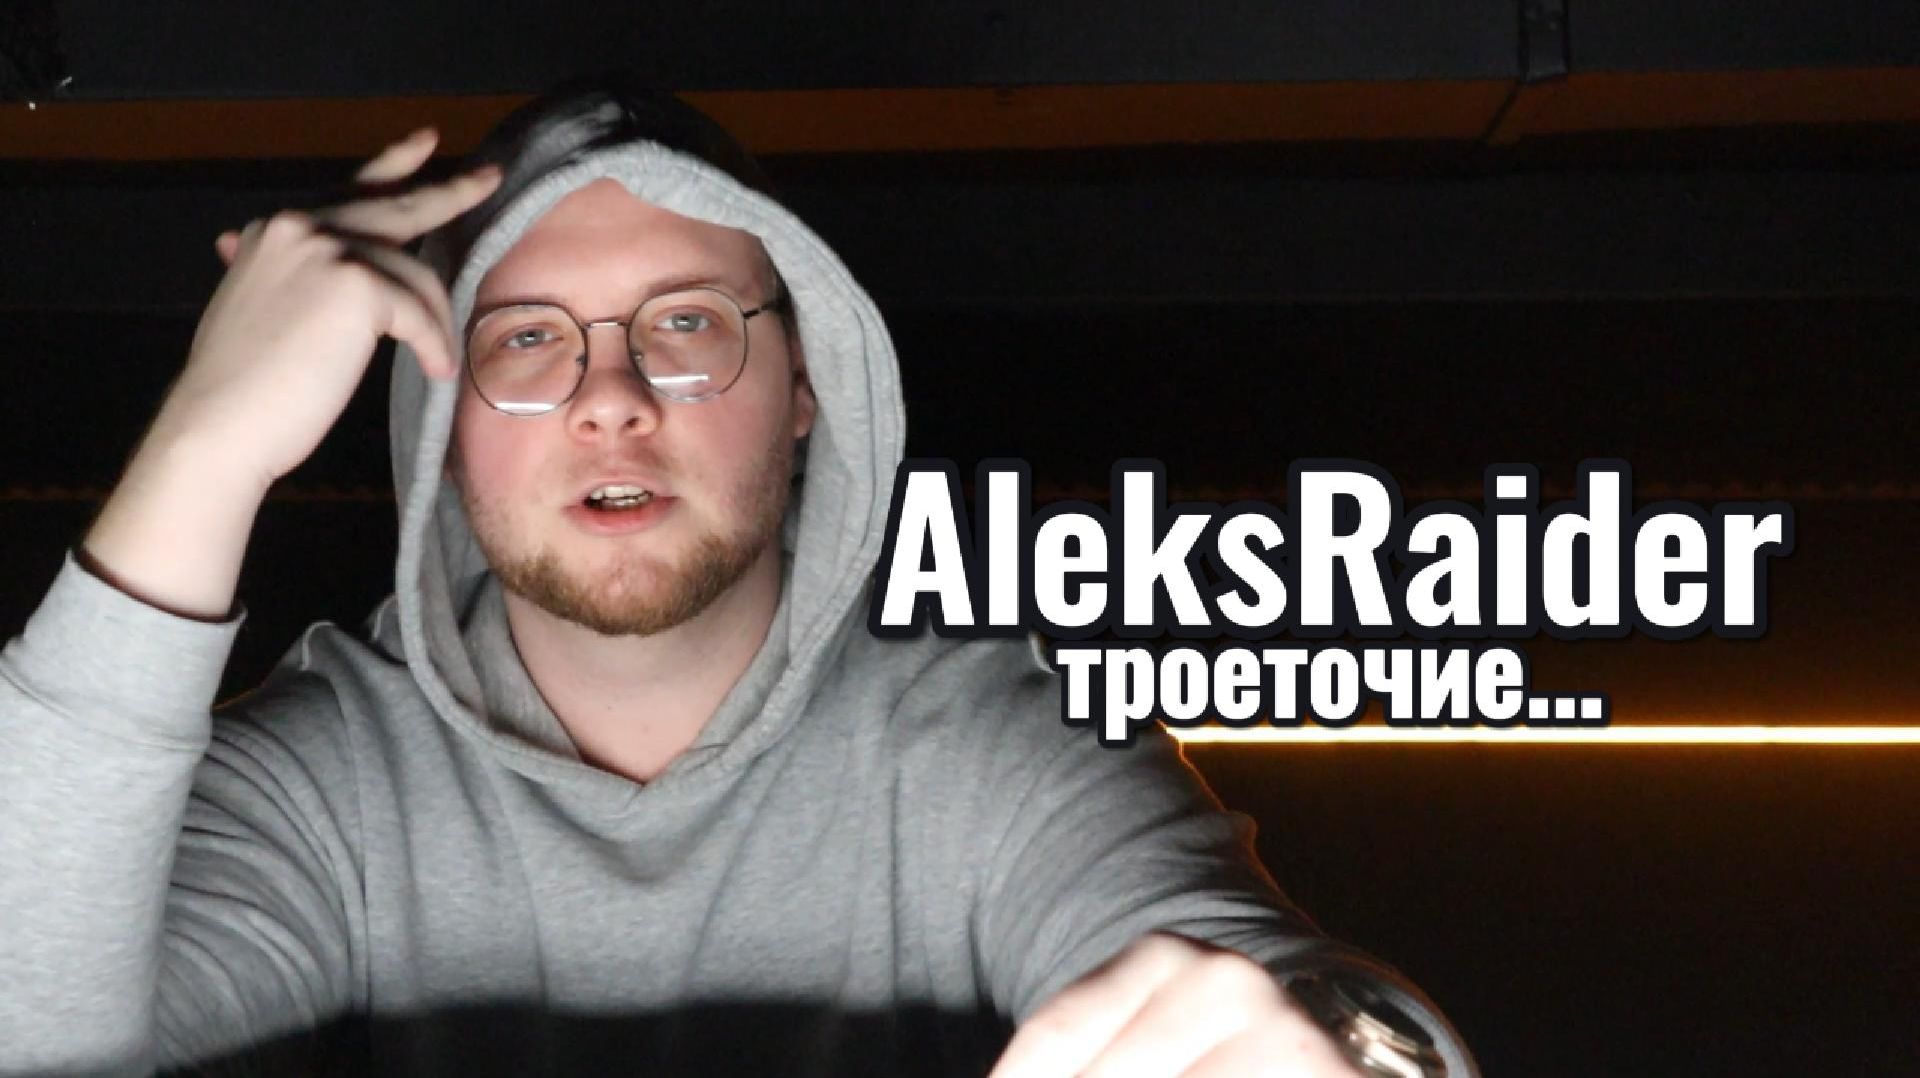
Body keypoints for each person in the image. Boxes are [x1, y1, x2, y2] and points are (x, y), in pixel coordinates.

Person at [0, 79, 1476, 1077]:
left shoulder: (995, 736)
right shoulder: (317, 784)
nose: (611, 398)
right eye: (527, 339)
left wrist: (1340, 1050)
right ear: (440, 431)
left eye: (689, 322)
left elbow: (1296, 989)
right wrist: (202, 447)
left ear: (807, 386)